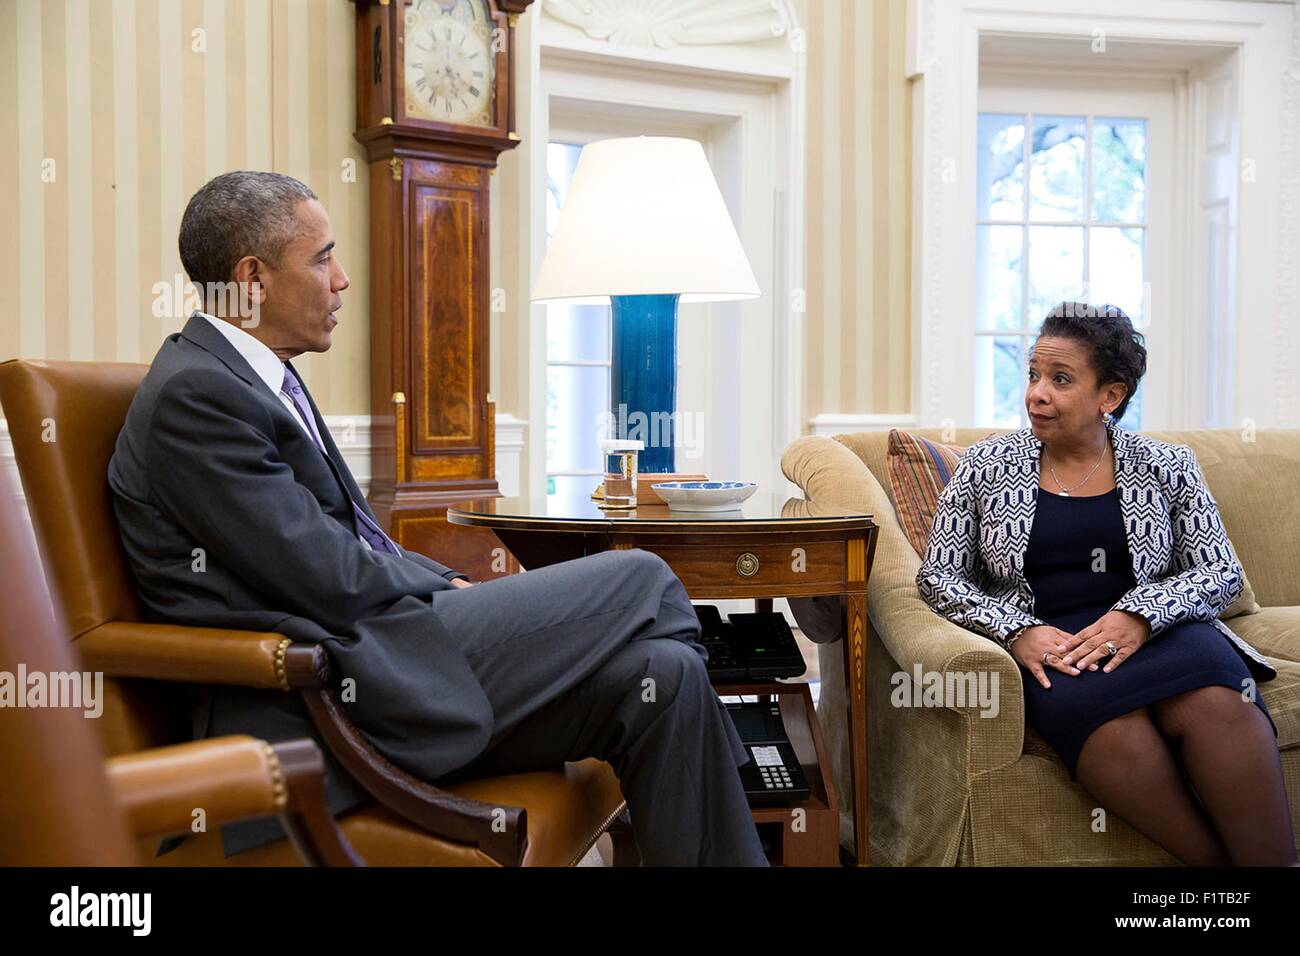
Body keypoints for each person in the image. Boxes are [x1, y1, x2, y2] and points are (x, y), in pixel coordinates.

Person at [107, 170, 767, 866]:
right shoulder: (197, 398)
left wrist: (449, 583)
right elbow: (321, 573)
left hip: (392, 653)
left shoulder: (256, 376)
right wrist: (441, 595)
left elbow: (351, 543)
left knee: (665, 674)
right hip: (332, 694)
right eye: (322, 257)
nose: (342, 280)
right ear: (253, 278)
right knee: (643, 577)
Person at [915, 301, 1294, 866]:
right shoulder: (985, 466)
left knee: (1221, 706)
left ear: (1109, 396)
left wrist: (1140, 614)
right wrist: (1017, 630)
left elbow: (1220, 572)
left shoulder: (1166, 464)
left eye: (1060, 380)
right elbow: (938, 578)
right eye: (1034, 375)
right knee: (1113, 735)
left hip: (1163, 633)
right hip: (1059, 649)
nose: (1037, 393)